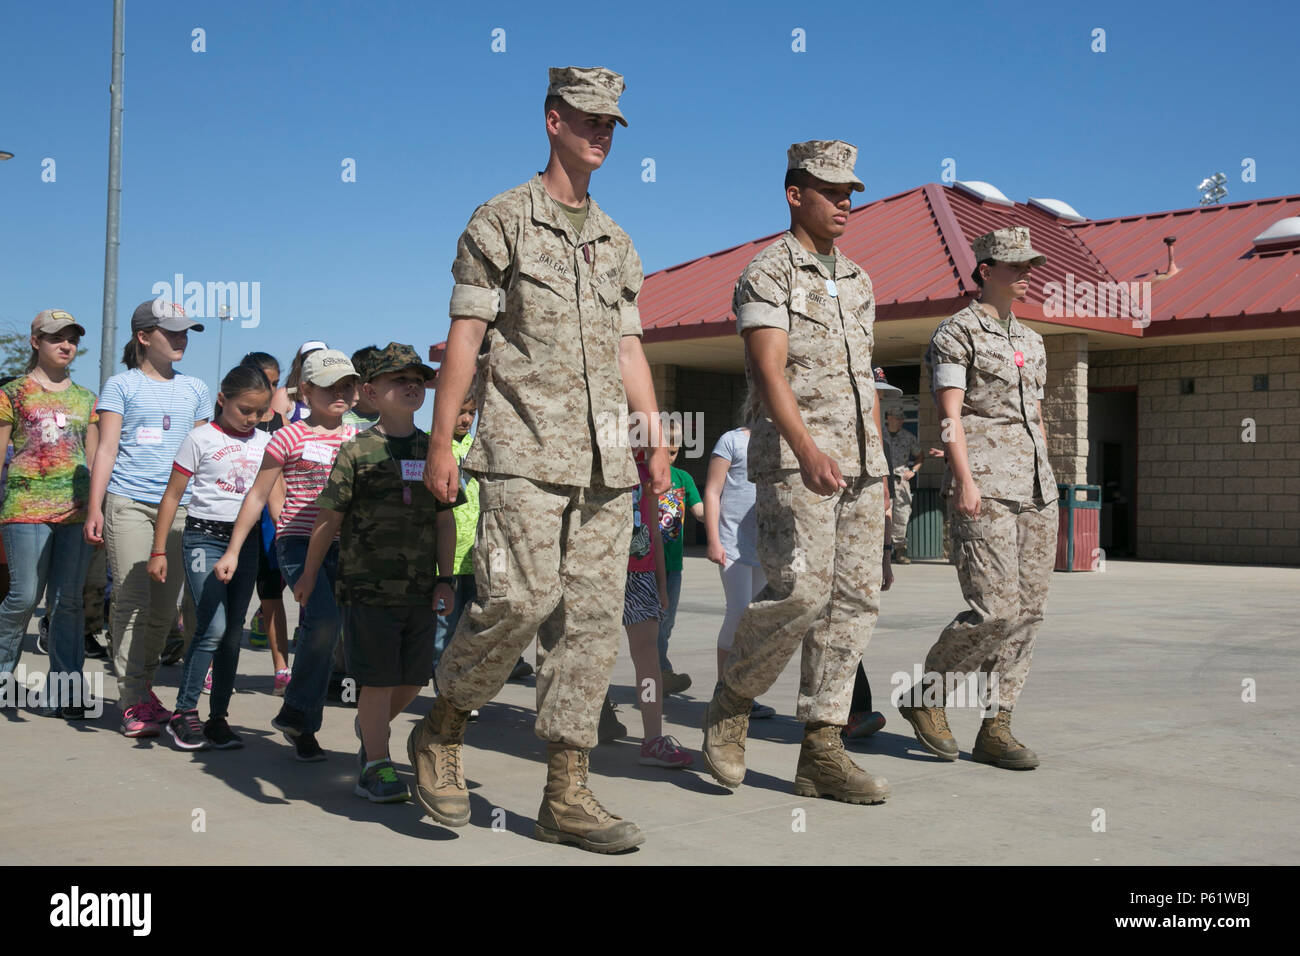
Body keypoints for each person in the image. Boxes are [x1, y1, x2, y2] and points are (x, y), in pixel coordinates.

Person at [417, 65, 669, 854]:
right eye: (589, 118)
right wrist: (439, 436)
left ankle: (567, 792)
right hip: (522, 448)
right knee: (516, 602)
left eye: (612, 124)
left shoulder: (617, 241)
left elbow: (629, 346)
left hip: (603, 466)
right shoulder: (502, 220)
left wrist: (653, 432)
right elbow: (467, 334)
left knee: (589, 626)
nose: (602, 133)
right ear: (553, 119)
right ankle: (444, 726)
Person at [701, 141, 891, 805]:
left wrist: (884, 474)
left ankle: (822, 750)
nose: (845, 202)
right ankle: (731, 702)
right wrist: (807, 448)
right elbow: (767, 368)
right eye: (831, 191)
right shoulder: (768, 271)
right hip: (793, 460)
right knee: (801, 592)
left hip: (862, 467)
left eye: (850, 192)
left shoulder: (862, 280)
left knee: (855, 602)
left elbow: (865, 379)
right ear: (794, 195)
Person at [905, 226, 1057, 770]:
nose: (1024, 276)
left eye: (1028, 267)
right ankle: (926, 696)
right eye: (1014, 266)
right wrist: (964, 480)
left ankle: (997, 725)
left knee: (1029, 614)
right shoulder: (955, 334)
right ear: (986, 270)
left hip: (1037, 488)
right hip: (985, 484)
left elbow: (1035, 415)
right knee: (995, 609)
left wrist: (1049, 476)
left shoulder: (1033, 341)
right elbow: (949, 417)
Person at [295, 344, 456, 801]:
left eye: (416, 380)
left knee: (412, 678)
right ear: (370, 391)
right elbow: (329, 518)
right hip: (366, 587)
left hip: (421, 588)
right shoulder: (358, 450)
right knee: (378, 680)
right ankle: (376, 766)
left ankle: (371, 729)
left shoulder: (435, 450)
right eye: (397, 380)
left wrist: (446, 579)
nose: (410, 386)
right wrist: (309, 575)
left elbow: (445, 519)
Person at [215, 349, 359, 761]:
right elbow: (258, 495)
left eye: (347, 385)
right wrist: (233, 550)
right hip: (296, 542)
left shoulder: (360, 438)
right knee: (324, 621)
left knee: (333, 631)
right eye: (330, 386)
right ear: (307, 391)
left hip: (347, 547)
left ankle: (300, 721)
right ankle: (299, 710)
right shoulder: (287, 437)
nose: (340, 393)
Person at [85, 299, 210, 738]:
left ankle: (145, 687)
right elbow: (106, 449)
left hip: (180, 509)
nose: (181, 339)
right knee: (132, 600)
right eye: (171, 331)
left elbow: (202, 452)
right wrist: (95, 507)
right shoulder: (120, 386)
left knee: (163, 610)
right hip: (129, 504)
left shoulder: (196, 388)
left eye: (185, 332)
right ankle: (133, 697)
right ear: (143, 337)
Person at [148, 365, 273, 749]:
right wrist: (158, 550)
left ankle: (218, 718)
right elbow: (172, 495)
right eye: (244, 410)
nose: (251, 418)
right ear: (222, 400)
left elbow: (273, 494)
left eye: (259, 412)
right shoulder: (199, 438)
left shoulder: (267, 442)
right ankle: (184, 713)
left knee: (232, 635)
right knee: (212, 627)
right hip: (204, 538)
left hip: (246, 542)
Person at [0, 310, 98, 717]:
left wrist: (98, 509)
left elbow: (94, 458)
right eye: (56, 337)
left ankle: (67, 690)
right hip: (24, 508)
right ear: (35, 341)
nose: (66, 345)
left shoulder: (87, 399)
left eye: (71, 338)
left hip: (75, 513)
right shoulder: (13, 393)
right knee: (24, 597)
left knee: (67, 602)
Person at [702, 405, 776, 720]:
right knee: (738, 616)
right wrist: (713, 540)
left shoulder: (782, 443)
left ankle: (744, 693)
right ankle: (724, 691)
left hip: (765, 547)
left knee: (755, 622)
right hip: (732, 544)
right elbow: (713, 491)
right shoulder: (731, 440)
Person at [624, 444, 692, 768]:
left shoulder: (646, 467)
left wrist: (662, 583)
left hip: (640, 573)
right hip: (598, 570)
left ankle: (653, 738)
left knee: (649, 657)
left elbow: (654, 531)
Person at [240, 351, 292, 695]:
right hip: (233, 518)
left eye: (275, 382)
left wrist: (283, 517)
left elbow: (284, 473)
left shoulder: (278, 421)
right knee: (228, 598)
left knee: (272, 596)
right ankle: (212, 665)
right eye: (264, 380)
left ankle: (281, 669)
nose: (270, 388)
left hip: (269, 521)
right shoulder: (229, 414)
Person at [654, 420, 703, 696]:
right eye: (664, 449)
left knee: (667, 622)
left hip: (673, 565)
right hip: (644, 564)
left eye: (673, 452)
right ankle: (660, 672)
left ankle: (659, 670)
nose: (669, 456)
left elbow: (699, 511)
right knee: (654, 622)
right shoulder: (642, 475)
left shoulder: (683, 478)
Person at [882, 403, 923, 564]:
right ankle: (882, 550)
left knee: (902, 515)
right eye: (896, 418)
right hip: (884, 480)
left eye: (901, 419)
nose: (899, 421)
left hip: (900, 481)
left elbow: (920, 455)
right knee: (883, 514)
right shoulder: (880, 434)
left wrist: (914, 471)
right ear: (889, 418)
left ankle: (899, 551)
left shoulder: (908, 436)